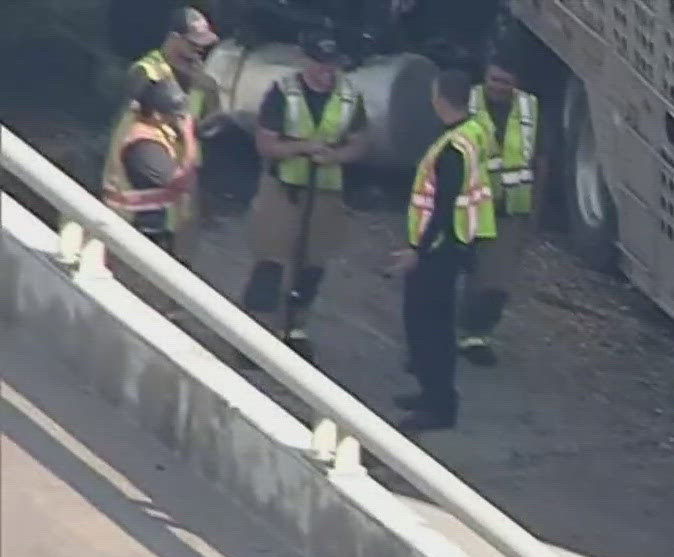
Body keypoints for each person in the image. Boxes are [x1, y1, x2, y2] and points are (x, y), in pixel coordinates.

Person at [240, 31, 370, 358]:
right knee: (271, 259)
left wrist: (335, 157)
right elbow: (265, 143)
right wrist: (302, 148)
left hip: (325, 191)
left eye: (331, 65)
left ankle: (296, 328)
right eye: (318, 64)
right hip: (283, 187)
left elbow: (359, 143)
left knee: (313, 263)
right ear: (304, 61)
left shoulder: (350, 97)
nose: (325, 72)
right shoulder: (282, 93)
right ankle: (254, 332)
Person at [386, 68, 495, 433]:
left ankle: (438, 404)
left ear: (439, 99)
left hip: (439, 252)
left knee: (428, 327)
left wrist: (418, 249)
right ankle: (432, 393)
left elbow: (443, 207)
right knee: (434, 326)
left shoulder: (452, 147)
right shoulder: (473, 132)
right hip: (455, 247)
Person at [110, 7, 219, 265]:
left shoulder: (199, 79)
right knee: (139, 254)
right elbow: (136, 112)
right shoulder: (148, 72)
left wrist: (209, 90)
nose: (198, 52)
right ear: (174, 39)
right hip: (143, 181)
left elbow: (209, 125)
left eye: (202, 47)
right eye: (192, 45)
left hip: (182, 184)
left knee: (178, 256)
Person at [457, 54, 541, 365]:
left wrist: (534, 211)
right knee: (460, 270)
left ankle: (476, 335)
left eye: (505, 82)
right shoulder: (468, 101)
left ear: (516, 83)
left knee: (495, 278)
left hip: (510, 210)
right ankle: (455, 329)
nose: (498, 87)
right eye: (494, 80)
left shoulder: (529, 109)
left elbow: (540, 160)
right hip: (468, 202)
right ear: (485, 77)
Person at [99, 75, 197, 259]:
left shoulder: (148, 125)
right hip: (138, 230)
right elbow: (181, 183)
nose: (179, 119)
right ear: (157, 115)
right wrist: (189, 137)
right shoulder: (145, 146)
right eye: (175, 115)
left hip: (148, 225)